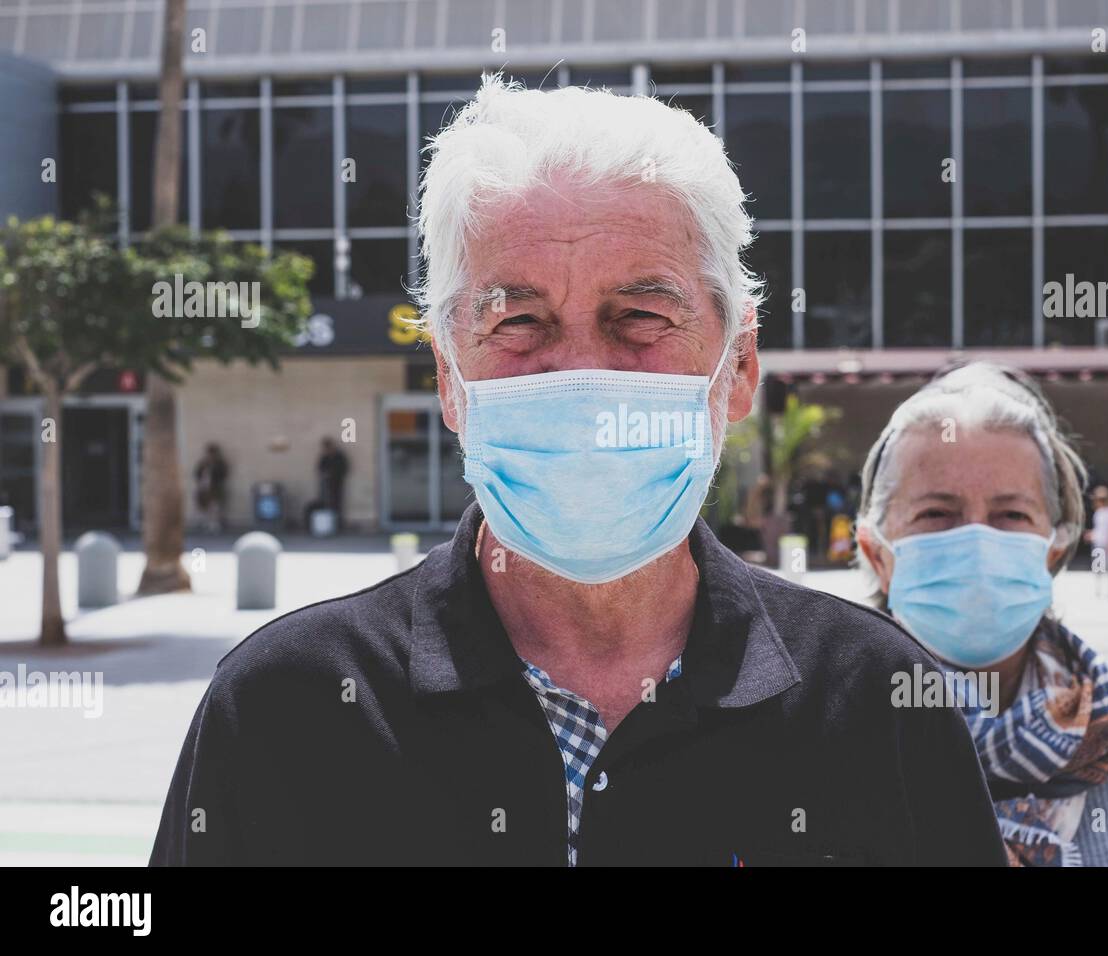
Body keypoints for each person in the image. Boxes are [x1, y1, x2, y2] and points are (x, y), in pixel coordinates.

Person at [150, 74, 1006, 867]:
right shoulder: (285, 709)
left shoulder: (882, 703)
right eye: (518, 320)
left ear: (739, 366)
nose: (581, 374)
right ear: (451, 376)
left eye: (641, 315)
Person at [854, 363, 1108, 866]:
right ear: (875, 552)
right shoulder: (821, 746)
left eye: (1011, 515)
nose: (979, 542)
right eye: (936, 514)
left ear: (1054, 549)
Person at [1085, 485, 1108, 597]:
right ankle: (1098, 589)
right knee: (1098, 567)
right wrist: (1091, 535)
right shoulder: (1098, 513)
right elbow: (1099, 529)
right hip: (1098, 542)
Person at [193, 443, 228, 533]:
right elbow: (197, 473)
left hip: (215, 487)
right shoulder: (203, 463)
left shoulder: (219, 463)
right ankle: (205, 522)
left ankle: (215, 523)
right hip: (203, 487)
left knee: (215, 506)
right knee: (204, 505)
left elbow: (223, 474)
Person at [315, 437, 349, 528]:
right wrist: (325, 474)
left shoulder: (339, 456)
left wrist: (334, 474)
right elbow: (320, 468)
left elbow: (344, 468)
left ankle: (337, 523)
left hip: (337, 482)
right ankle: (327, 524)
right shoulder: (325, 457)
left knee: (337, 503)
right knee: (326, 502)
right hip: (327, 483)